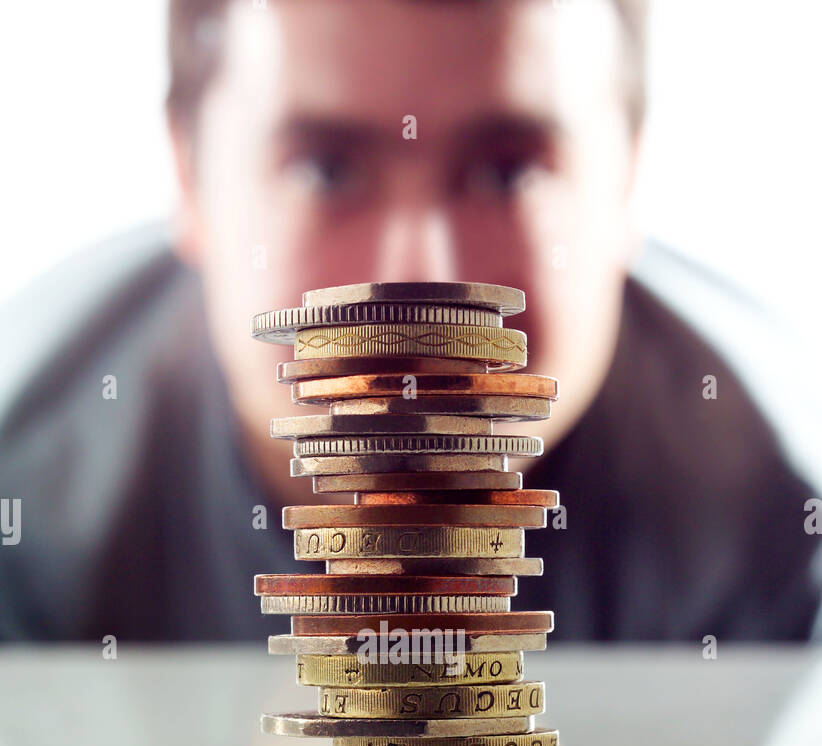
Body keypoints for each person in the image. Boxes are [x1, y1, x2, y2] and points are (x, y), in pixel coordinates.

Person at [1, 0, 819, 641]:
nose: (421, 284)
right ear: (189, 177)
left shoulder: (777, 538)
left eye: (507, 173)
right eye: (326, 171)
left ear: (627, 182)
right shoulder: (29, 527)